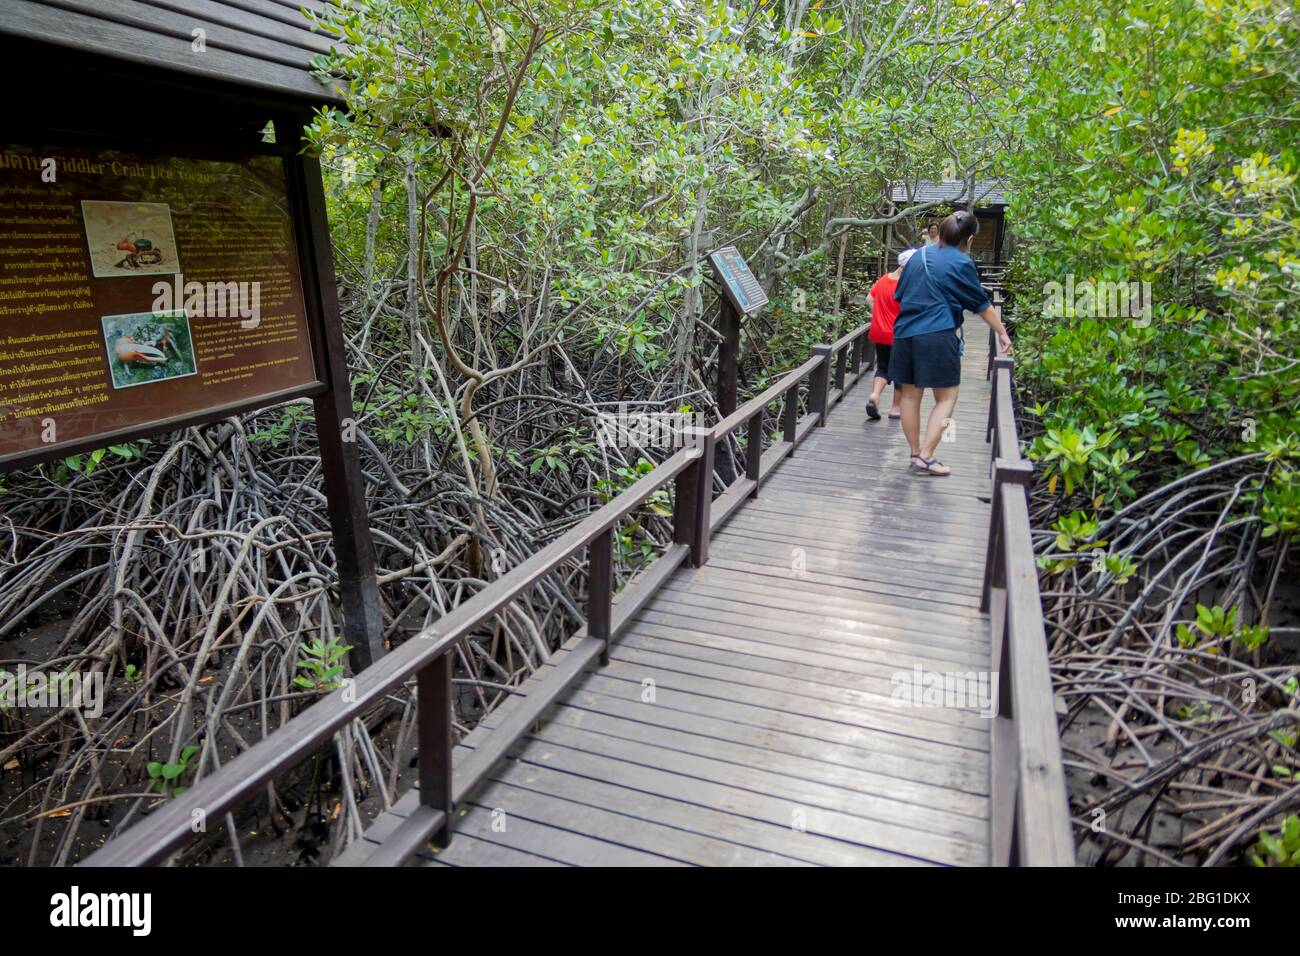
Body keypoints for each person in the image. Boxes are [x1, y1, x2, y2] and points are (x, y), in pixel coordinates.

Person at [891, 210, 1012, 476]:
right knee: (946, 397)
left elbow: (899, 295)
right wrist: (1002, 332)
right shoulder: (961, 262)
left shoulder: (916, 256)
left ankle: (914, 453)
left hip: (903, 334)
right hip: (937, 334)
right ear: (969, 240)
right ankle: (926, 455)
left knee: (910, 395)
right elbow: (981, 304)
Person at [864, 247, 914, 420]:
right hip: (898, 334)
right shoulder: (906, 285)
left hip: (879, 332)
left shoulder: (884, 279)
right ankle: (895, 408)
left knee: (883, 366)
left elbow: (869, 299)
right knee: (901, 369)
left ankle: (875, 396)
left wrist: (878, 314)